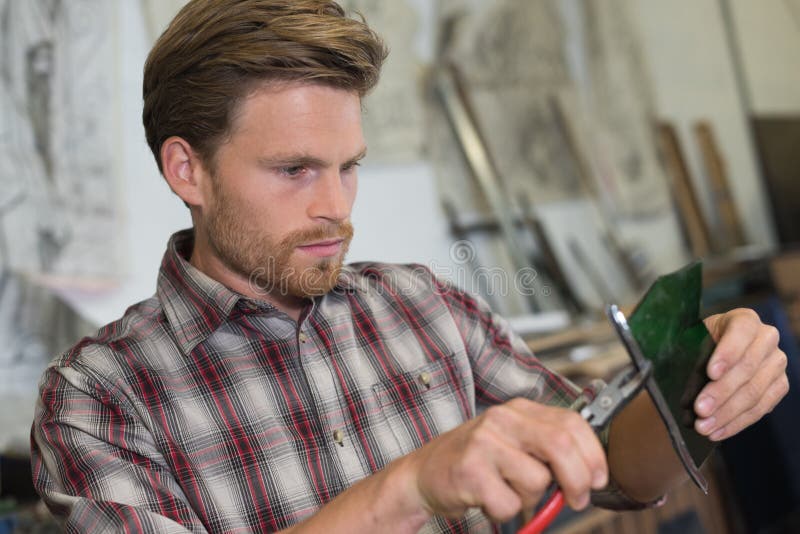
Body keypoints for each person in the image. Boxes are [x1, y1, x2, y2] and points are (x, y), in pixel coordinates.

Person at [31, 1, 789, 532]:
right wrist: (411, 485)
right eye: (294, 169)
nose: (335, 206)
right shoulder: (96, 400)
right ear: (187, 171)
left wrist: (696, 381)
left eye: (349, 166)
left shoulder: (424, 306)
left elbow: (615, 468)